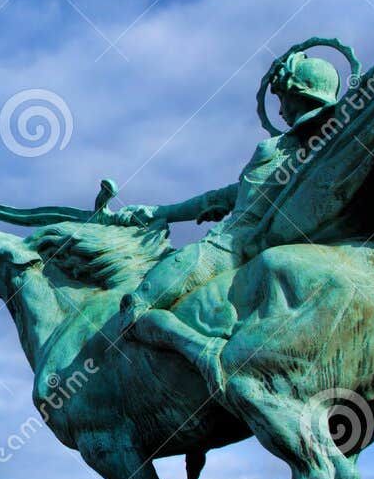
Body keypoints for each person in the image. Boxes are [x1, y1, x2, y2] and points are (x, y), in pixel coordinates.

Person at [116, 49, 344, 335]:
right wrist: (159, 213)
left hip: (232, 247)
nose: (279, 109)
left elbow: (227, 200)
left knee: (139, 303)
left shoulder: (275, 150)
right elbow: (221, 198)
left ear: (294, 93)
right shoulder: (330, 149)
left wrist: (159, 214)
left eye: (280, 97)